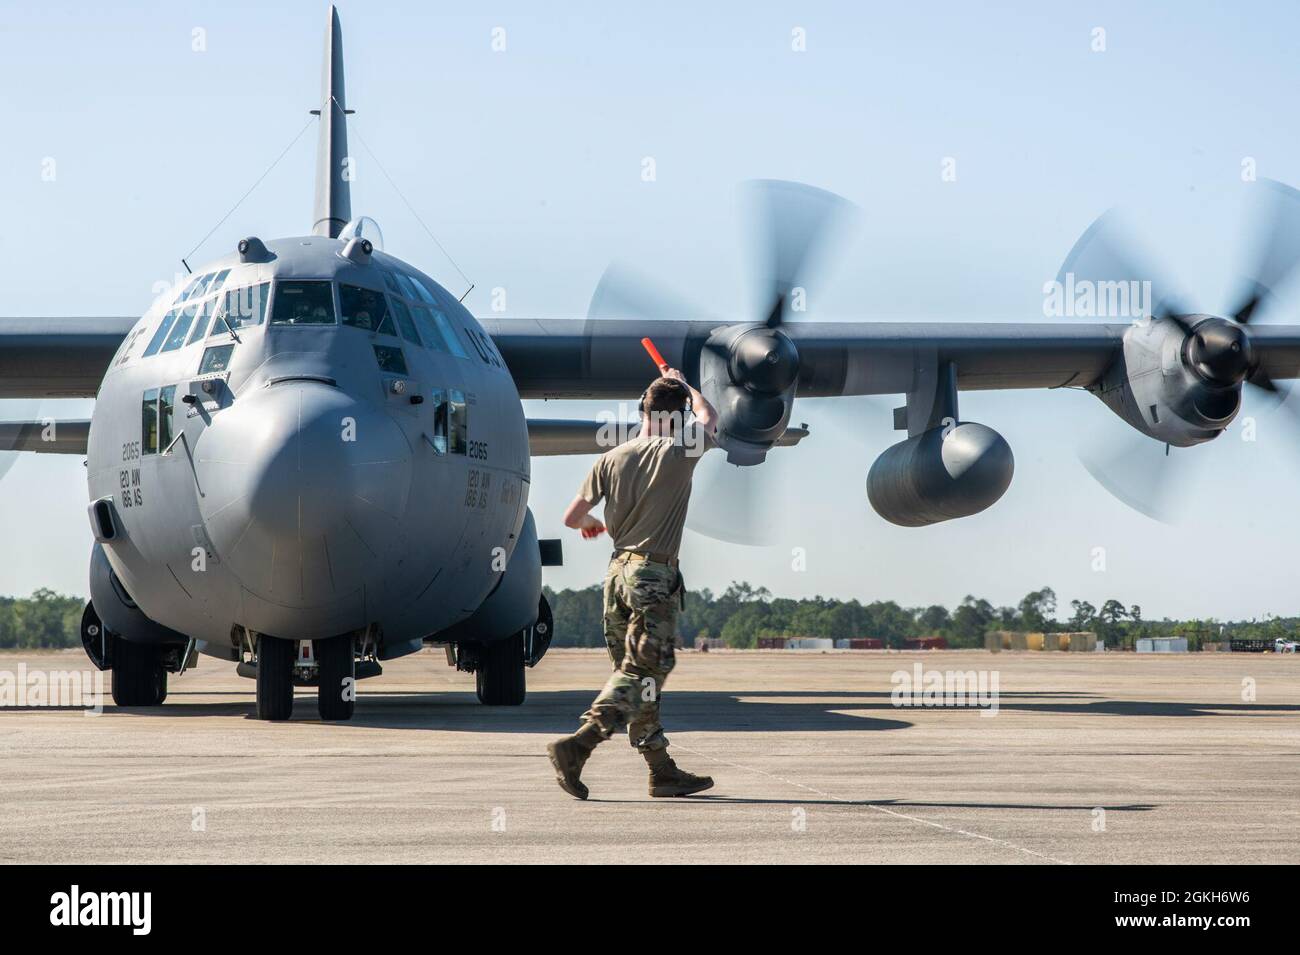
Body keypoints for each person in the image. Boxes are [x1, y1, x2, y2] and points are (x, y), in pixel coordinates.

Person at [547, 367, 719, 799]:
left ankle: (661, 771)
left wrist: (590, 524)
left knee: (637, 675)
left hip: (616, 575)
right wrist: (684, 384)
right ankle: (579, 744)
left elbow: (571, 518)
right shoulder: (680, 450)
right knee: (647, 668)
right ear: (676, 417)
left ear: (642, 410)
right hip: (653, 576)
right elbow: (710, 414)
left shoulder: (611, 457)